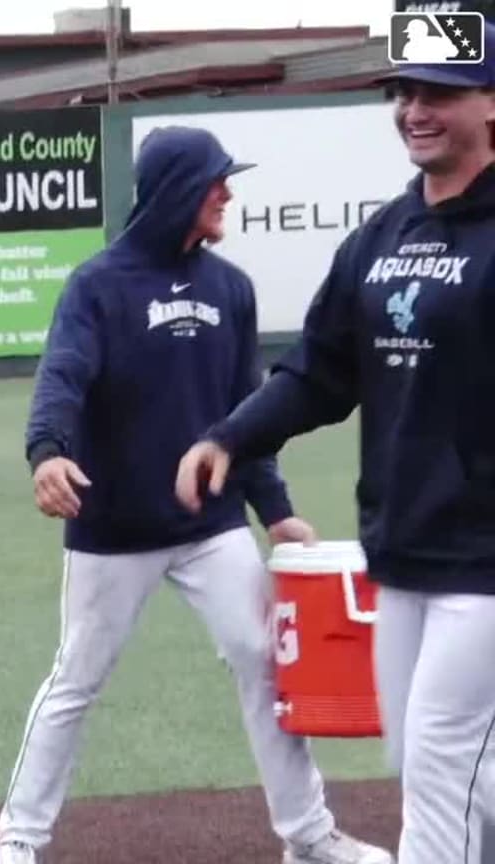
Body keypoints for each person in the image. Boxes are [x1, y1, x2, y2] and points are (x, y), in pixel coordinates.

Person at [0, 125, 392, 864]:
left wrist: (276, 513)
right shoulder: (97, 285)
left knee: (266, 663)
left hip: (212, 525)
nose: (229, 193)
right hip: (113, 527)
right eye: (216, 182)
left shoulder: (230, 288)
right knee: (76, 680)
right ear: (179, 191)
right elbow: (64, 377)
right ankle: (18, 838)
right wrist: (47, 454)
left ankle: (308, 838)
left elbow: (243, 413)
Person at [176, 34, 495, 864]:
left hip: (487, 558)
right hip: (403, 546)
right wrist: (231, 435)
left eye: (440, 92)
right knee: (438, 760)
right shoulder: (382, 236)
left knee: (438, 757)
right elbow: (320, 369)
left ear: (492, 103)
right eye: (405, 92)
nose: (416, 110)